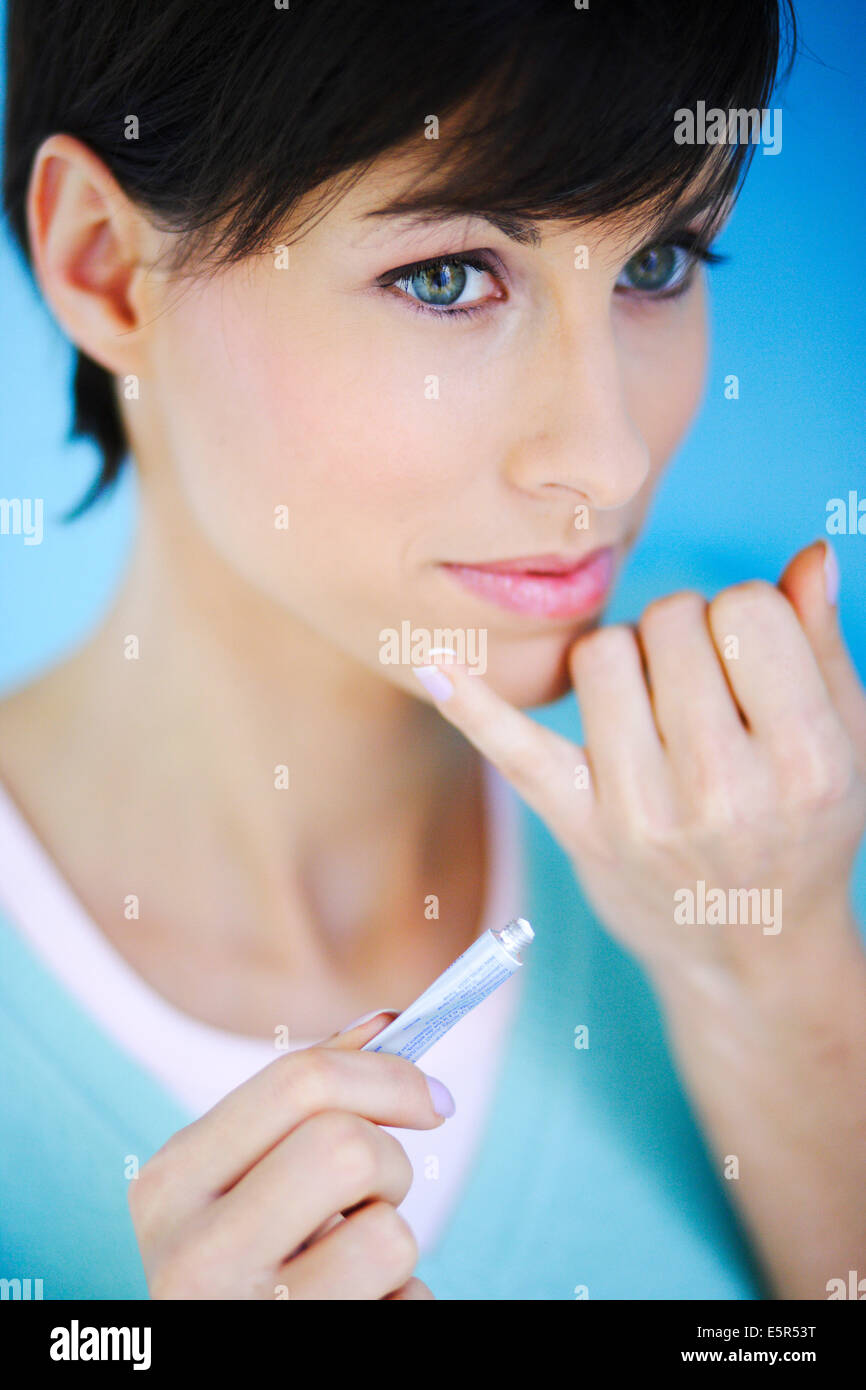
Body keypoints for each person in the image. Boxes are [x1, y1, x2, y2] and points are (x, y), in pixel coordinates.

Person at [1, 0, 864, 1301]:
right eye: (446, 276)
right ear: (108, 266)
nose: (608, 458)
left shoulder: (798, 748)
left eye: (657, 261)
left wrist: (769, 966)